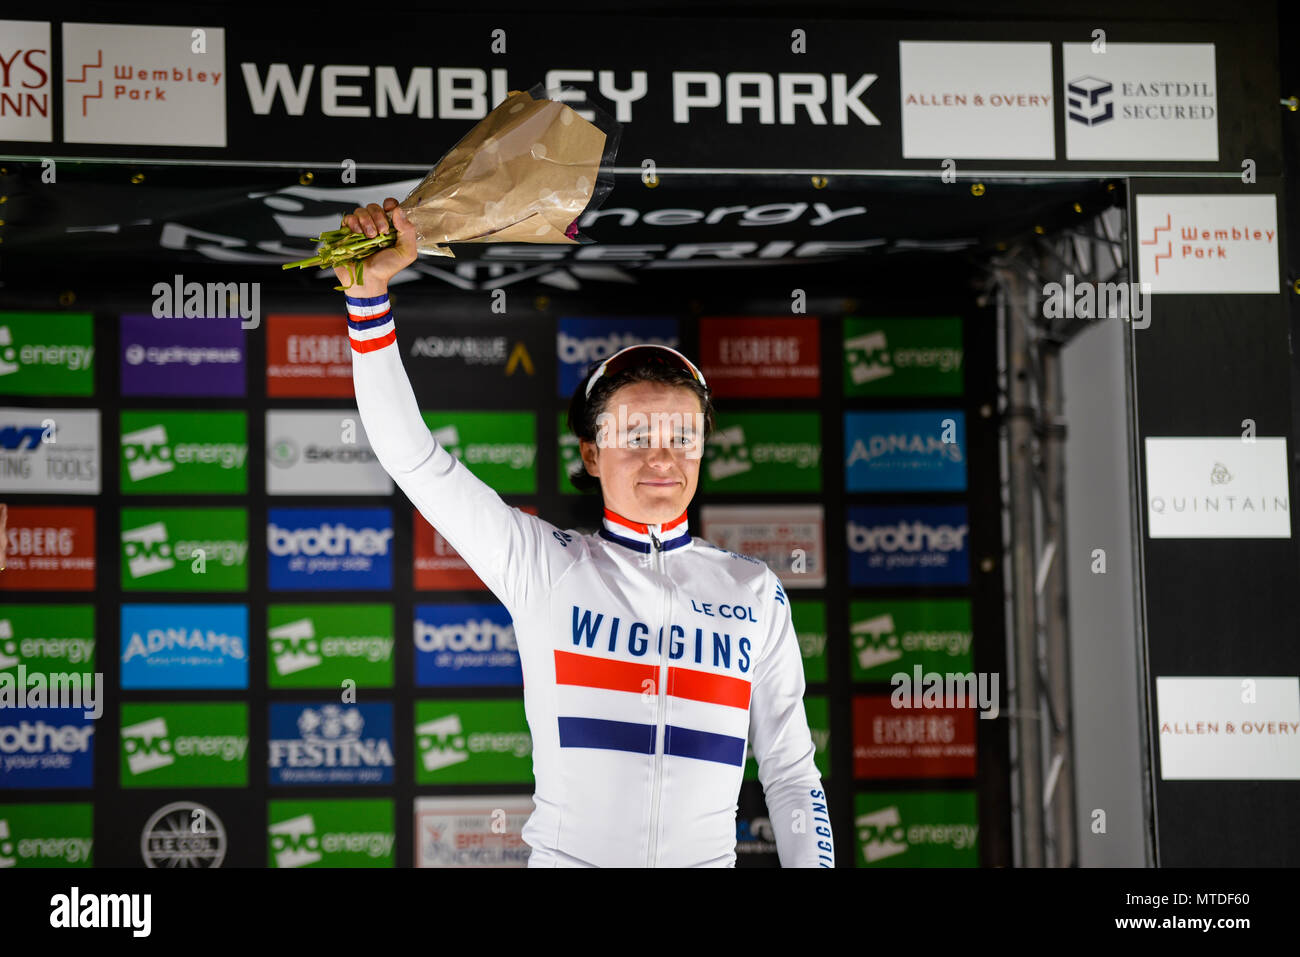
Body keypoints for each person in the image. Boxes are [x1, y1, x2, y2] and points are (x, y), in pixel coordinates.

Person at [339, 197, 832, 868]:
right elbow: (413, 459)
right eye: (633, 434)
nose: (660, 455)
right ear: (591, 456)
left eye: (681, 436)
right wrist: (368, 303)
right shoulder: (544, 565)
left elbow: (792, 772)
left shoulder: (754, 592)